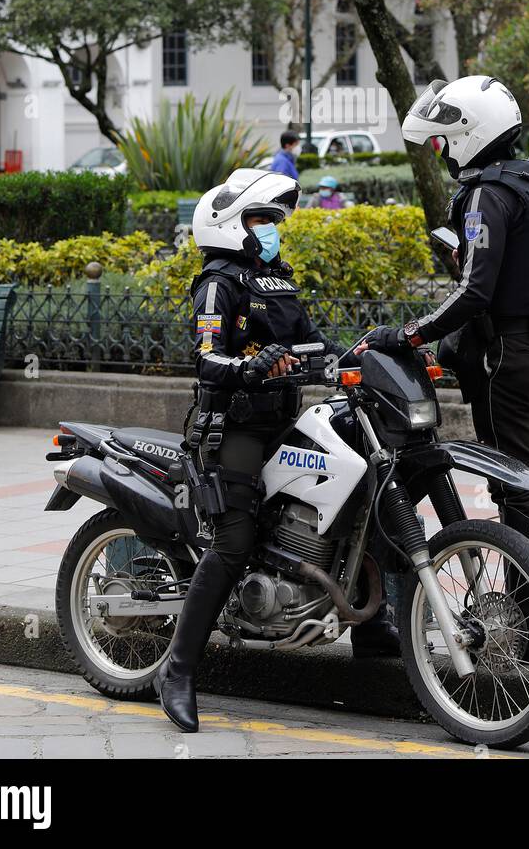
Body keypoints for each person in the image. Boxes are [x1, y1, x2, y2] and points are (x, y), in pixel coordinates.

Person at [155, 167, 398, 734]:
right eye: (261, 220)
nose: (270, 231)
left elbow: (314, 345)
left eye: (273, 222)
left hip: (283, 421)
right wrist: (250, 365)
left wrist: (368, 347)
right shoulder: (219, 283)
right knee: (234, 542)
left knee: (367, 490)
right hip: (234, 429)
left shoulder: (277, 282)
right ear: (230, 225)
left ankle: (373, 624)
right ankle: (179, 671)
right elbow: (206, 358)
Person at [356, 76, 529, 562]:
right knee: (519, 471)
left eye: (444, 140)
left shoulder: (487, 194)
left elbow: (474, 292)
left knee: (514, 485)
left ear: (471, 134)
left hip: (508, 359)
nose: (442, 151)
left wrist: (409, 333)